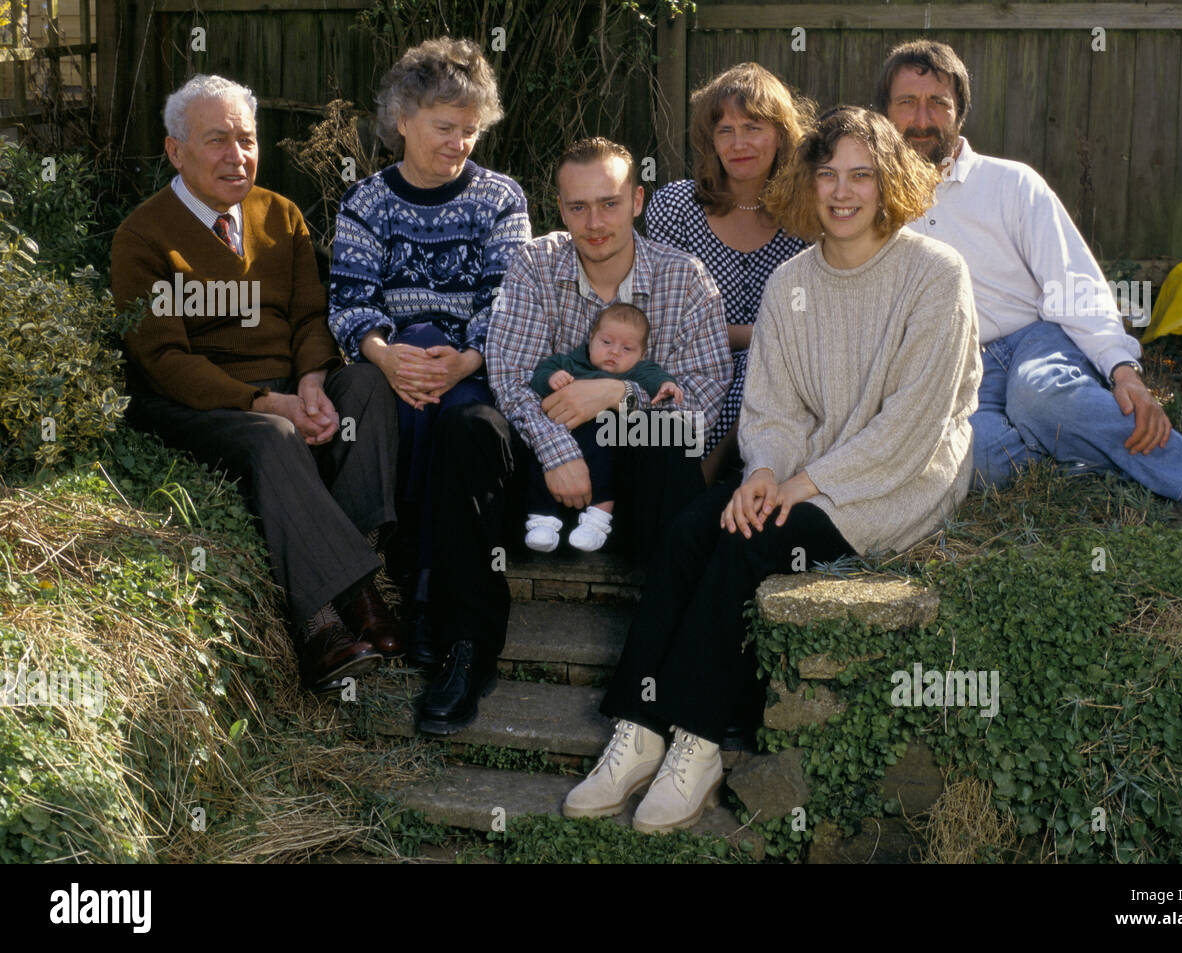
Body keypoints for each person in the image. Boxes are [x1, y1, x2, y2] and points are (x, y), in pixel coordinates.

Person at [563, 106, 982, 833]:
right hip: (804, 472)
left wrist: (798, 486)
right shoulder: (793, 279)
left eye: (861, 175)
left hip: (897, 481)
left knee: (750, 542)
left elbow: (912, 428)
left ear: (889, 183)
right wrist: (762, 471)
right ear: (806, 185)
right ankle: (637, 727)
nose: (842, 192)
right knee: (696, 525)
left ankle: (697, 741)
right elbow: (773, 410)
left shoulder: (934, 275)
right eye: (827, 175)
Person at [875, 39, 1182, 517]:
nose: (921, 118)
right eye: (906, 102)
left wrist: (1122, 370)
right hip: (962, 365)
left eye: (937, 103)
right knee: (980, 457)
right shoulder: (872, 200)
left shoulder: (1012, 184)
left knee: (1040, 396)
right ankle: (1087, 465)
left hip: (1036, 340)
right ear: (885, 113)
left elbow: (1073, 282)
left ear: (960, 111)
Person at [409, 136, 731, 735]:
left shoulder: (685, 278)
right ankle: (467, 649)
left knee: (670, 442)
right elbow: (508, 370)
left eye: (609, 203)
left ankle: (656, 672)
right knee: (467, 427)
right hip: (538, 481)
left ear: (637, 201)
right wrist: (559, 453)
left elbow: (704, 402)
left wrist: (618, 392)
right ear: (560, 207)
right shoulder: (536, 263)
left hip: (635, 483)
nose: (595, 222)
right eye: (578, 207)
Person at [111, 74, 401, 693]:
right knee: (274, 436)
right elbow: (164, 360)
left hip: (289, 385)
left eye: (246, 139)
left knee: (370, 389)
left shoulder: (281, 214)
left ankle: (348, 589)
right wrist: (272, 403)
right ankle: (333, 614)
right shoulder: (143, 235)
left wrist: (315, 384)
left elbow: (308, 316)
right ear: (174, 150)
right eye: (216, 141)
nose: (236, 156)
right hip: (201, 400)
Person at [328, 37, 531, 664]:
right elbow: (350, 302)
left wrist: (469, 358)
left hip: (472, 366)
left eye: (470, 130)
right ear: (402, 120)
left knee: (453, 413)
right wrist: (386, 355)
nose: (459, 143)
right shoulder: (368, 202)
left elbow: (511, 299)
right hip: (397, 367)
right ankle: (422, 585)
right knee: (413, 372)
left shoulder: (500, 198)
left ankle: (418, 581)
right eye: (445, 127)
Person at [644, 63, 810, 484]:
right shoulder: (676, 207)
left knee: (763, 363)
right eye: (725, 131)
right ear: (710, 141)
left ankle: (708, 473)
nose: (739, 144)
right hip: (689, 363)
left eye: (753, 127)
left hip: (784, 375)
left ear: (781, 135)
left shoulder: (807, 216)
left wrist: (763, 342)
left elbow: (810, 327)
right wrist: (759, 335)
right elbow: (668, 321)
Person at [524, 302, 684, 553]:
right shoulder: (568, 363)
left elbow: (655, 379)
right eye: (606, 342)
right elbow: (540, 376)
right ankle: (542, 522)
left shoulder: (637, 371)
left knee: (608, 468)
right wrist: (551, 378)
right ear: (591, 339)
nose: (614, 352)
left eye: (627, 348)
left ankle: (596, 523)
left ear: (641, 354)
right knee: (539, 460)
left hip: (603, 440)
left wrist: (667, 386)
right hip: (562, 438)